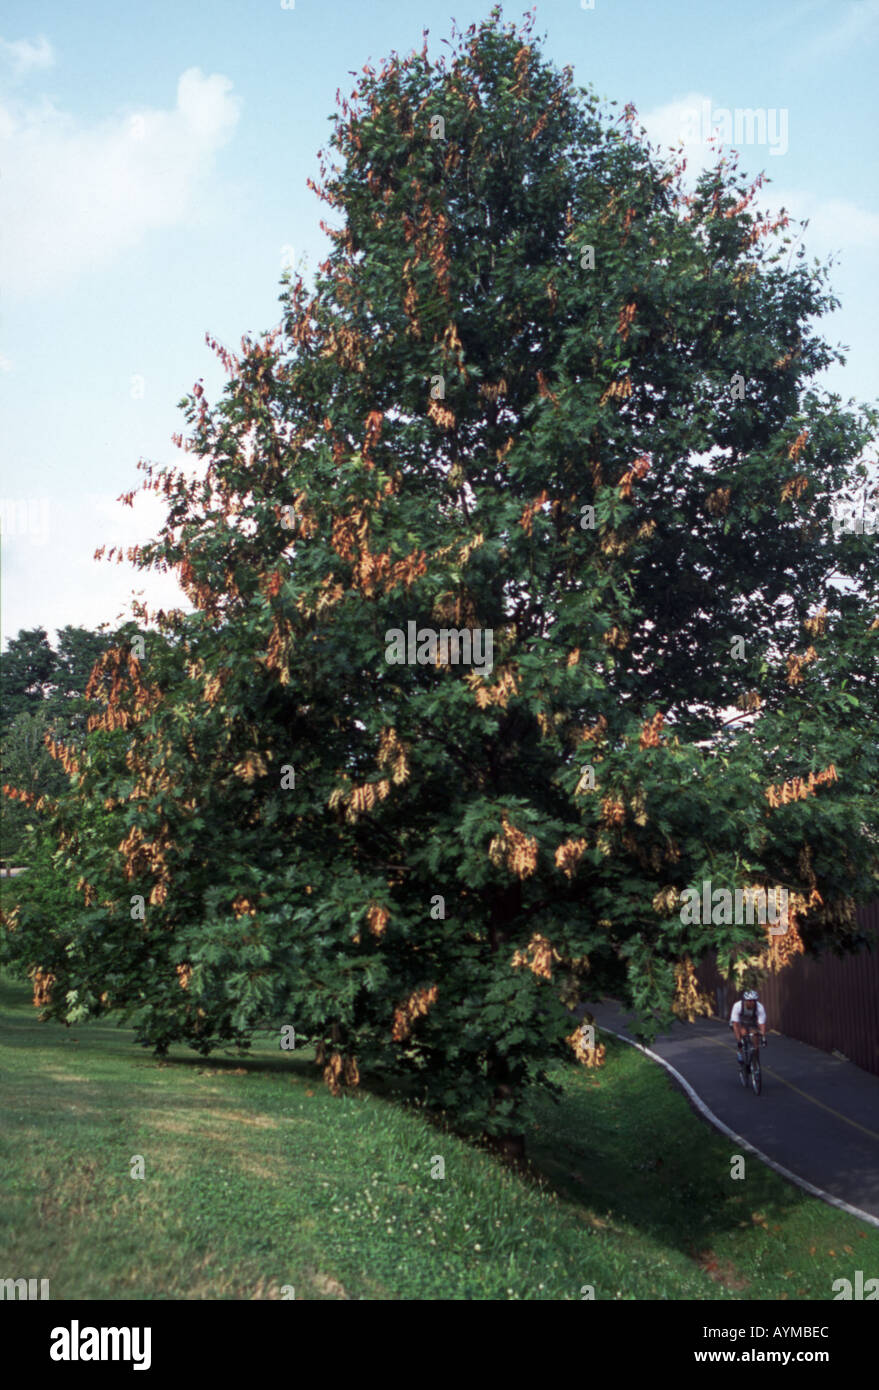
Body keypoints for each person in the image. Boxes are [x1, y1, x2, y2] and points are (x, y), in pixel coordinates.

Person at [730, 989, 767, 1064]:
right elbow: (735, 1024)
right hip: (739, 1022)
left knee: (755, 1038)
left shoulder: (759, 1007)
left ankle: (755, 1062)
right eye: (750, 1001)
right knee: (743, 1033)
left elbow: (762, 1024)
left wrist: (763, 1038)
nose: (752, 1002)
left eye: (754, 1000)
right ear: (745, 1000)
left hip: (751, 1022)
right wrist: (739, 1041)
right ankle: (740, 1053)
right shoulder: (737, 1006)